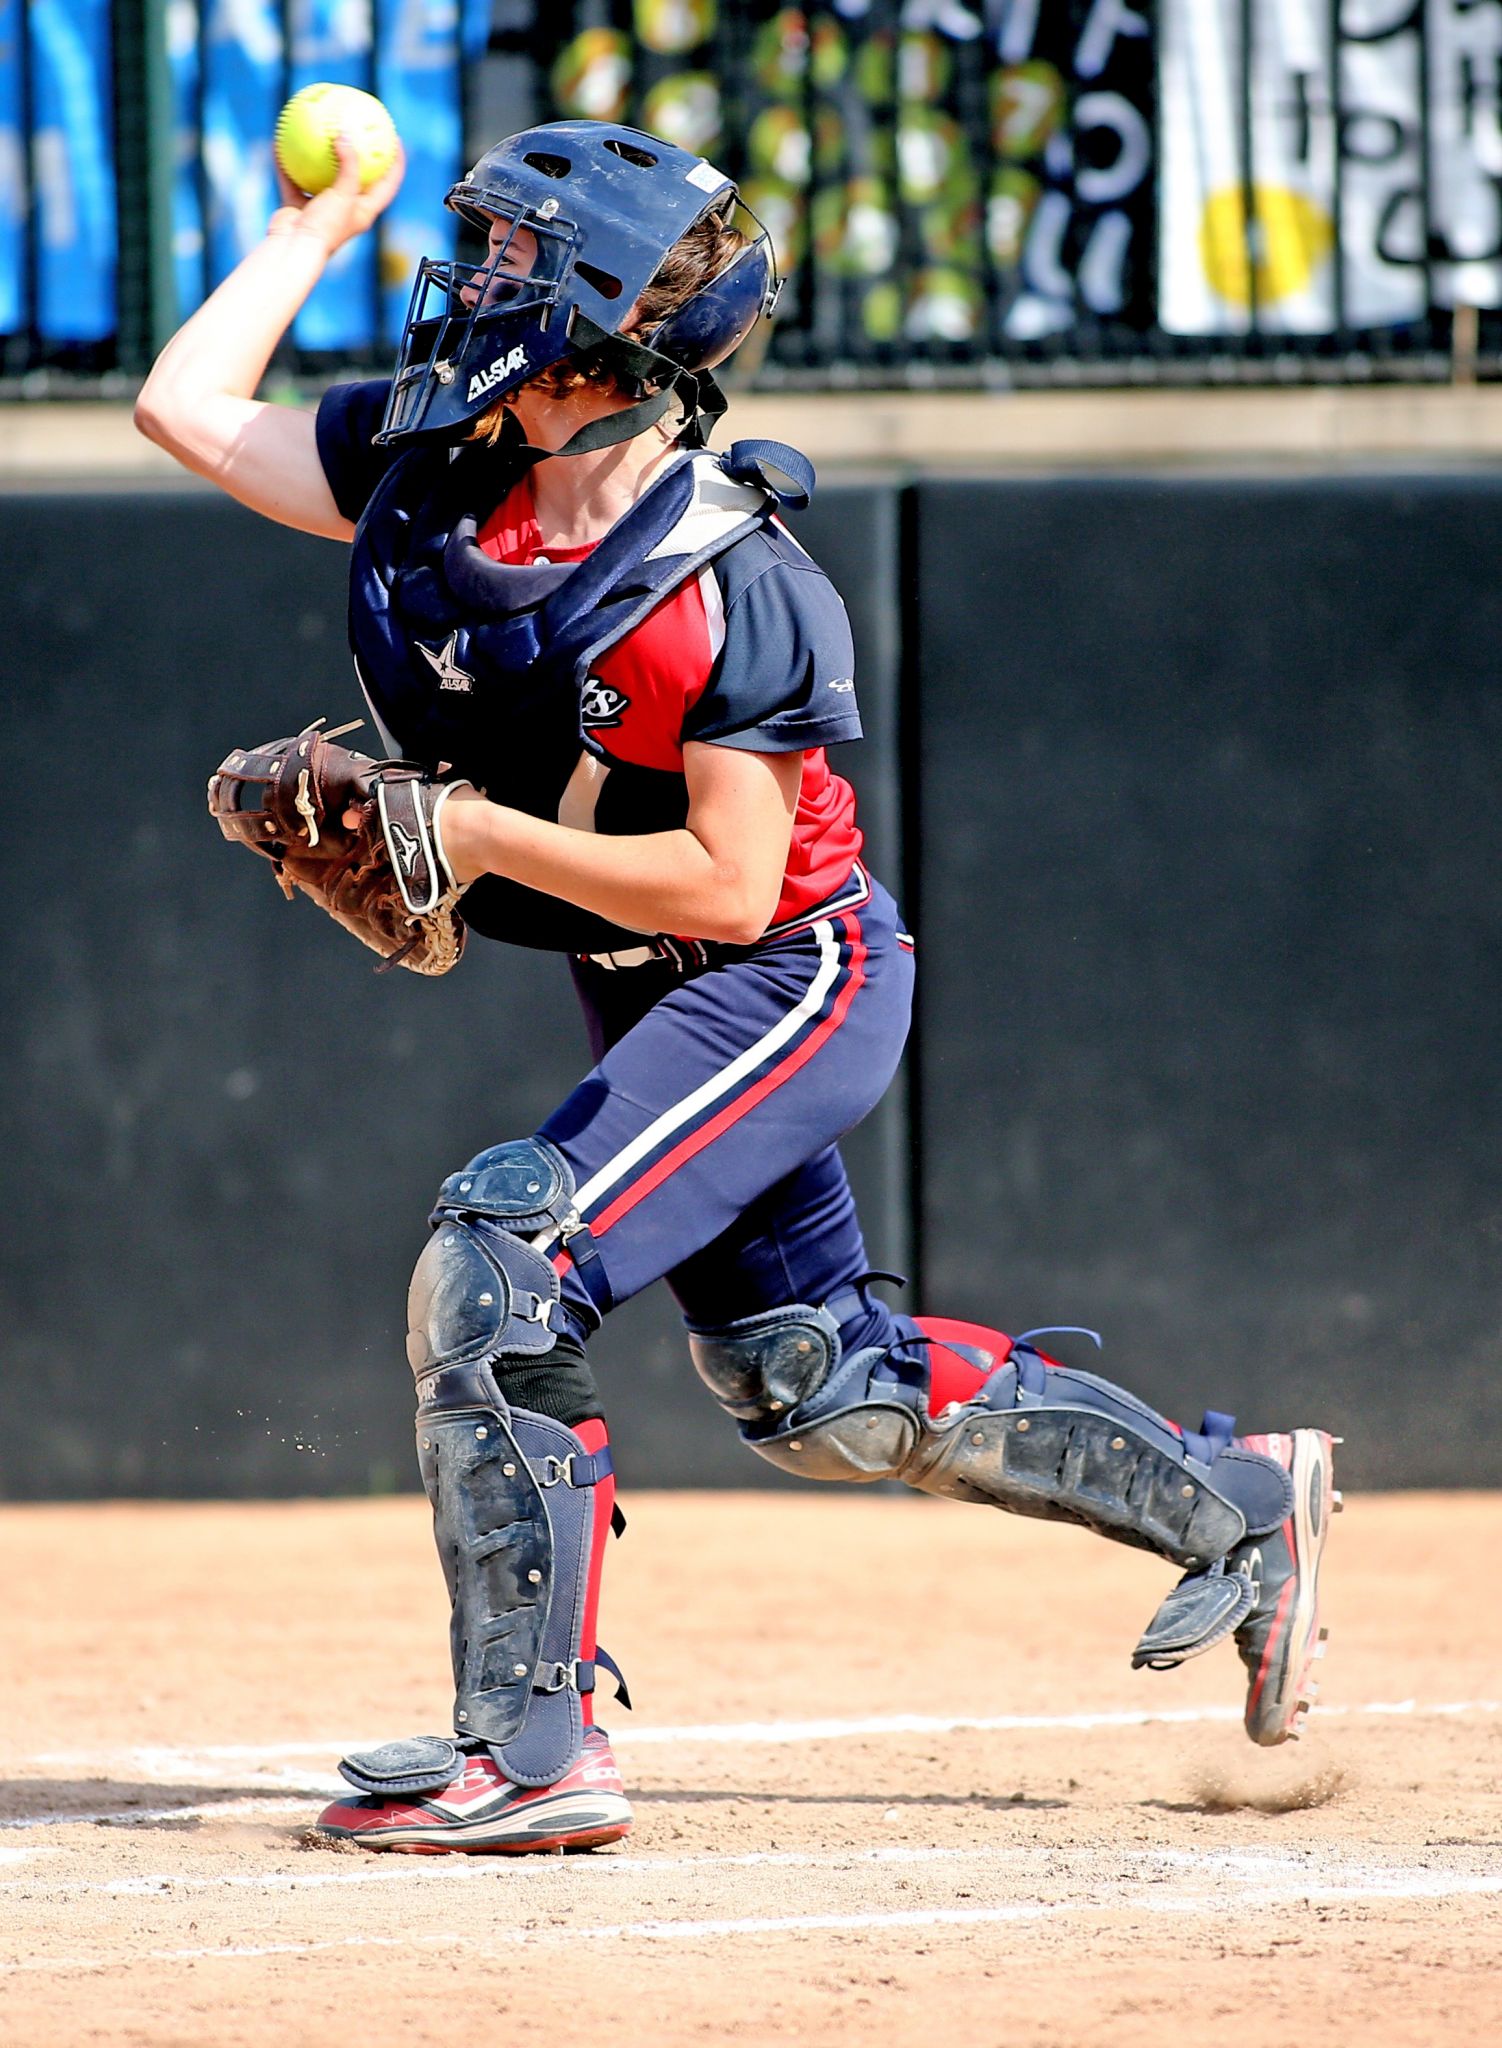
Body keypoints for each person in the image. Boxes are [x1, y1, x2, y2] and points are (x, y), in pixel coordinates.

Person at [136, 119, 1337, 1856]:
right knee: (809, 1386)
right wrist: (321, 227)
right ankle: (1239, 1499)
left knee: (499, 1264)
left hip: (785, 972)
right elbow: (186, 410)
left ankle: (529, 1752)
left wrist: (464, 830)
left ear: (605, 334)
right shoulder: (437, 464)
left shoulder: (728, 580)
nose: (472, 290)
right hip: (651, 984)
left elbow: (726, 883)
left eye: (513, 270)